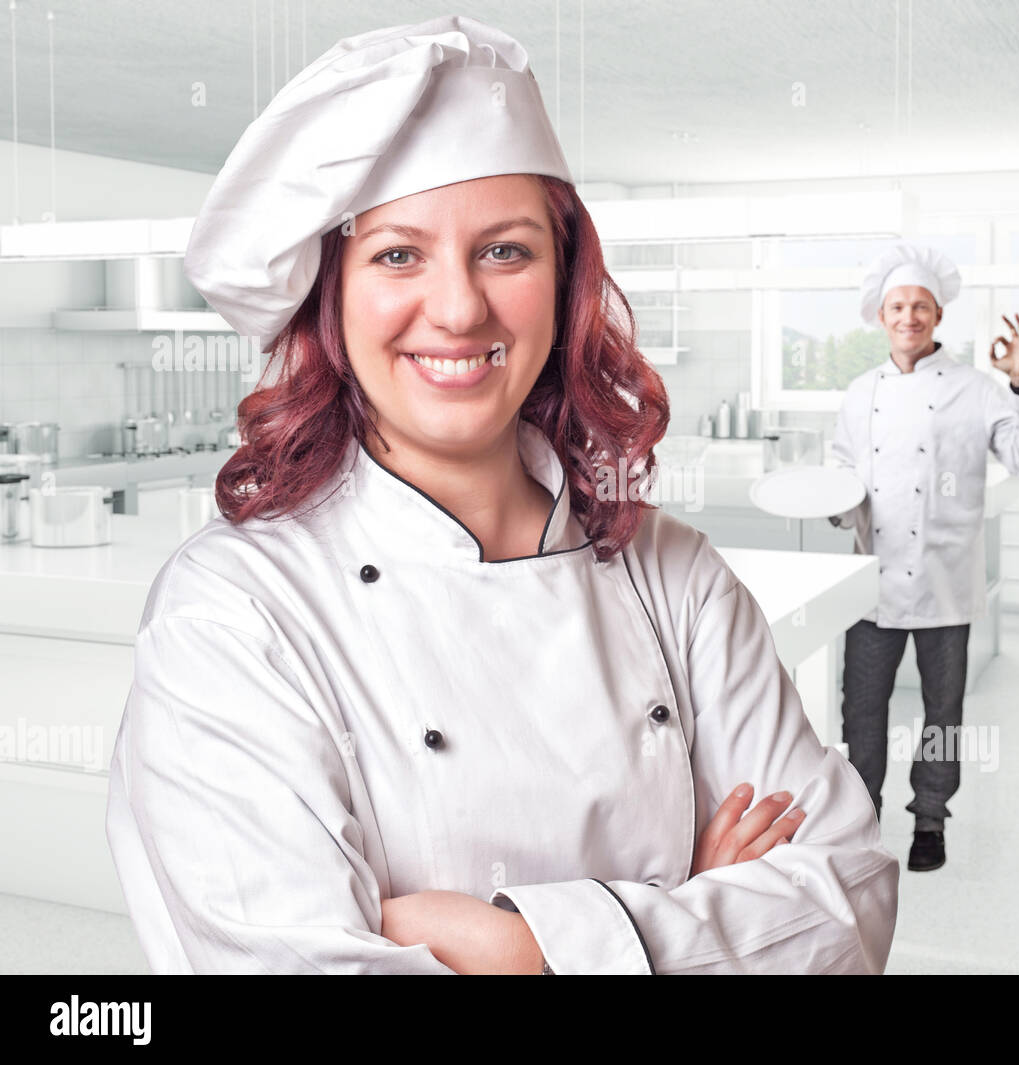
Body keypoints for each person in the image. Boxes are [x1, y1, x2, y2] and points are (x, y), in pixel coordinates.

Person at [104, 14, 900, 974]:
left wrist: (521, 949)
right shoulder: (234, 612)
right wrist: (685, 912)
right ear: (333, 293)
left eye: (505, 251)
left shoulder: (675, 576)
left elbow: (848, 898)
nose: (458, 308)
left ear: (563, 280)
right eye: (398, 254)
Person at [828, 243, 1019, 872]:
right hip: (871, 582)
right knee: (862, 710)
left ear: (937, 315)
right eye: (899, 306)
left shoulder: (976, 389)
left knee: (941, 713)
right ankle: (862, 817)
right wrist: (833, 501)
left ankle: (930, 817)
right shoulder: (858, 394)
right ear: (881, 315)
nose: (910, 316)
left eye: (921, 306)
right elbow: (843, 468)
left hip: (945, 581)